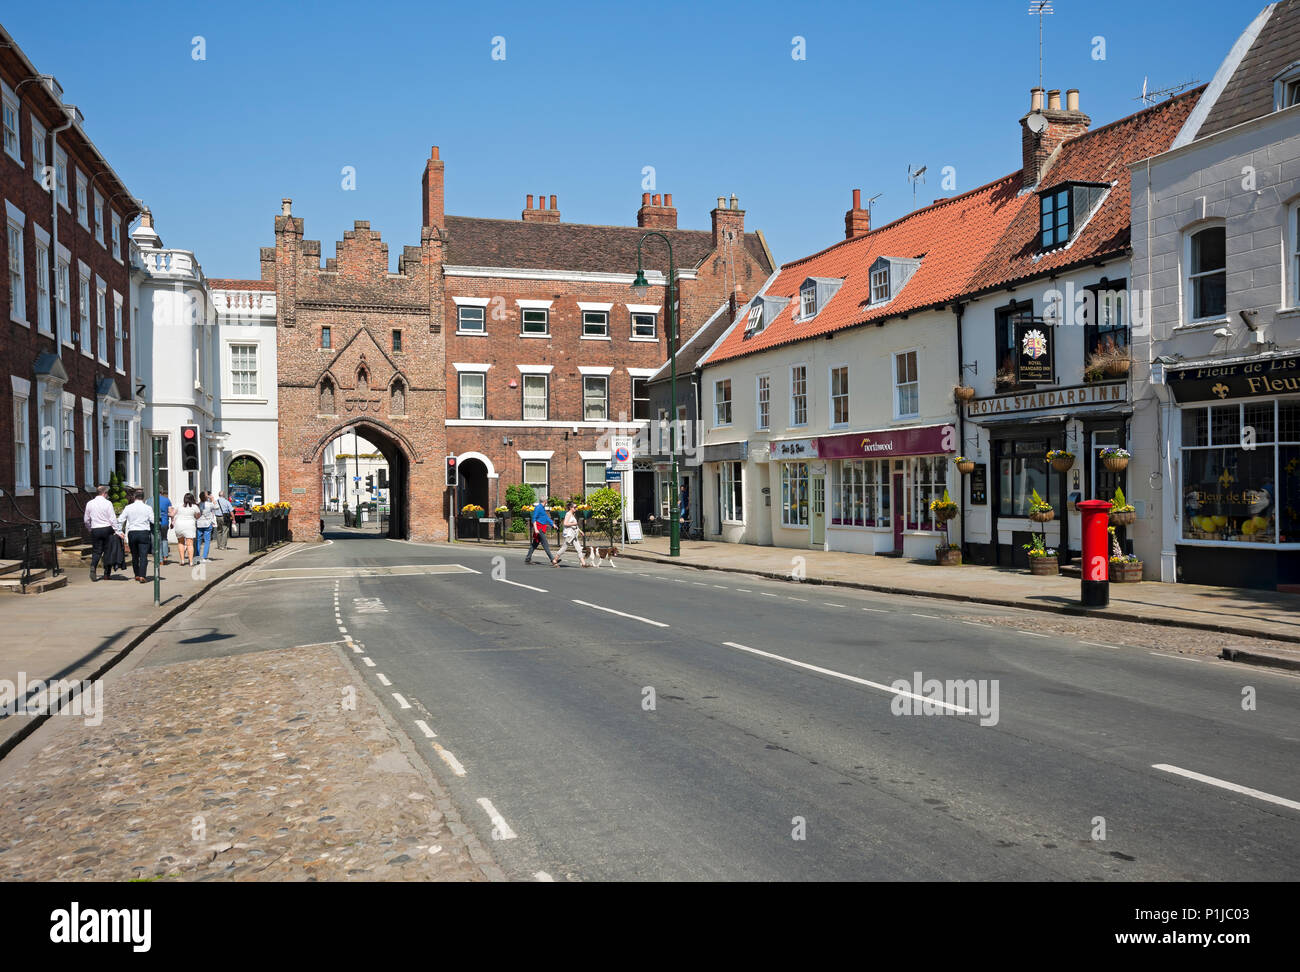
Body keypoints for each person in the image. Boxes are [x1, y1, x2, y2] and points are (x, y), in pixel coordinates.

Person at [117, 489, 155, 583]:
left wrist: (119, 531)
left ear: (134, 497)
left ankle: (137, 574)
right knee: (143, 556)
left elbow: (120, 519)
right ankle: (142, 575)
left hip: (132, 533)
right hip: (144, 532)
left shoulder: (128, 507)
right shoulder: (148, 508)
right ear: (143, 497)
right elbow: (153, 520)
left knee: (134, 555)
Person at [84, 484, 117, 582]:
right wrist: (117, 530)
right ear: (104, 493)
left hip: (96, 529)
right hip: (107, 529)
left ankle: (93, 566)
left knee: (96, 551)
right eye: (107, 493)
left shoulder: (90, 503)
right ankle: (107, 574)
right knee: (107, 551)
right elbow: (112, 519)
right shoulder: (108, 503)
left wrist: (90, 529)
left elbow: (86, 519)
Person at [524, 500, 559, 567]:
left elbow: (546, 517)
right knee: (545, 544)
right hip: (539, 528)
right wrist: (536, 528)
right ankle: (553, 560)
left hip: (541, 528)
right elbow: (534, 518)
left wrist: (552, 524)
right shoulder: (538, 507)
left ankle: (527, 559)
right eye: (547, 500)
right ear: (545, 501)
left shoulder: (542, 508)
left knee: (534, 544)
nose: (547, 501)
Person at [172, 492, 201, 567]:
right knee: (190, 544)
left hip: (179, 525)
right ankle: (191, 562)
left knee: (180, 542)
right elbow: (198, 516)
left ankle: (182, 560)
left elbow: (172, 514)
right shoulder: (194, 507)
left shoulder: (178, 505)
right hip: (189, 525)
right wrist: (194, 516)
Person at [195, 491, 215, 562]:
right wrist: (212, 499)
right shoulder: (209, 504)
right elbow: (217, 507)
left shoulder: (198, 504)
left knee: (198, 540)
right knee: (207, 541)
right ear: (207, 497)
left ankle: (197, 556)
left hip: (199, 523)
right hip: (207, 523)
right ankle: (204, 557)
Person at [157, 487, 172, 565]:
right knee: (164, 538)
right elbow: (170, 512)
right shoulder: (167, 500)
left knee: (157, 541)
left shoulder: (150, 500)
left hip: (155, 523)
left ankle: (160, 559)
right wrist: (172, 521)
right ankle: (165, 556)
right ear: (161, 492)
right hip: (164, 522)